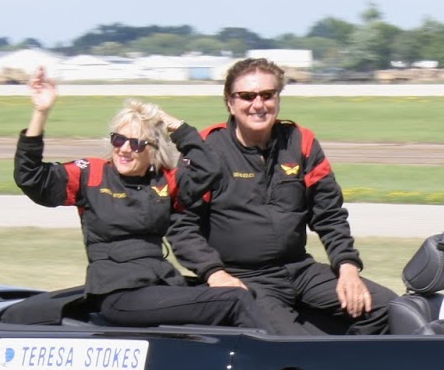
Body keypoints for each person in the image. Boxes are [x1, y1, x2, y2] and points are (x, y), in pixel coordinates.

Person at [13, 67, 301, 333]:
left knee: (246, 291)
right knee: (234, 300)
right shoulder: (92, 174)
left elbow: (210, 168)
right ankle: (285, 363)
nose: (125, 149)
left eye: (137, 144)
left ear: (152, 151)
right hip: (119, 294)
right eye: (118, 140)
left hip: (160, 283)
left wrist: (176, 126)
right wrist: (41, 112)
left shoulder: (166, 181)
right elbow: (32, 179)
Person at [168, 58, 395, 335]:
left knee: (389, 308)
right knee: (289, 345)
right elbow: (182, 225)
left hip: (299, 269)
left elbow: (329, 215)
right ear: (230, 102)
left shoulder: (301, 142)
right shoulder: (206, 150)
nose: (258, 104)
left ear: (278, 98)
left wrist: (347, 268)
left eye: (267, 95)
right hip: (243, 277)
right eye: (247, 96)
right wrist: (215, 274)